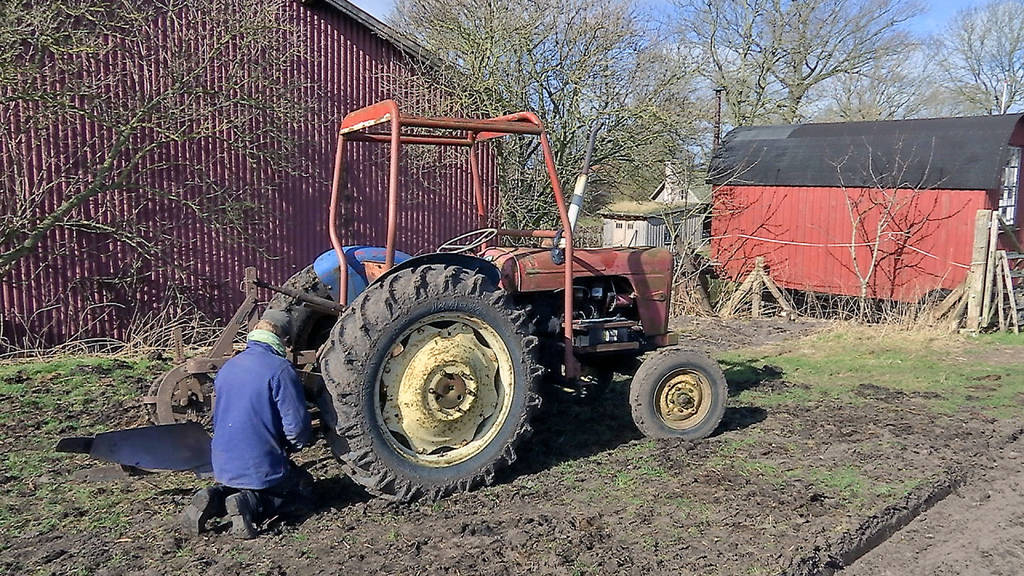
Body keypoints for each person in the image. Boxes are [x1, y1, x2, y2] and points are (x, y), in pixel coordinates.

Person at [180, 310, 314, 539]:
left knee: (239, 484)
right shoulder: (280, 370)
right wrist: (294, 446)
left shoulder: (227, 368)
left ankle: (213, 497)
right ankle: (251, 504)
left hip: (222, 462)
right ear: (282, 340)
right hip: (260, 462)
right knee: (301, 490)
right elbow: (297, 429)